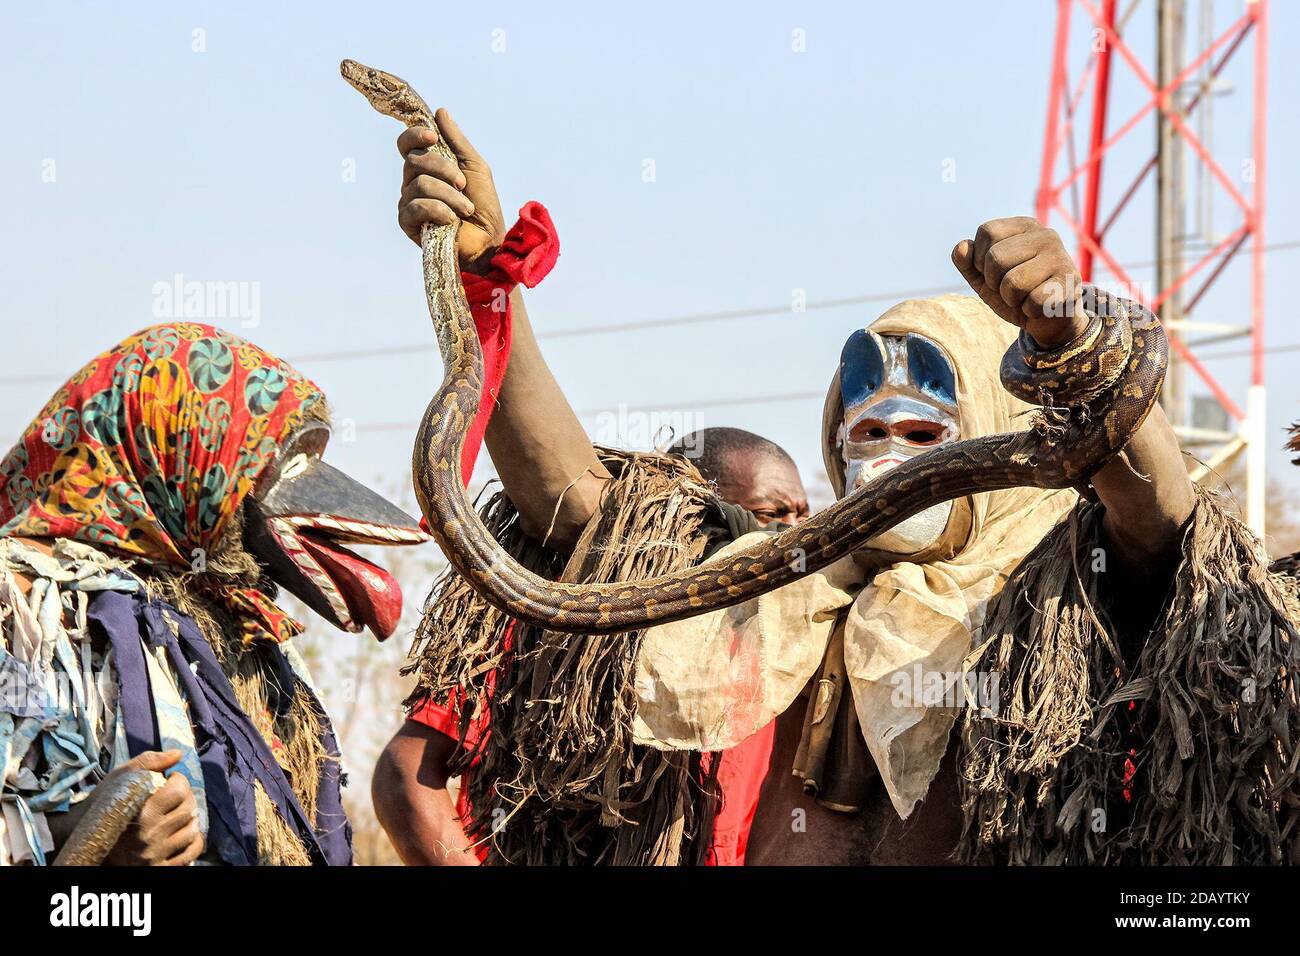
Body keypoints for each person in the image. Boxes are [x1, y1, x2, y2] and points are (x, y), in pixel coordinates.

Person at [391, 110, 1298, 865]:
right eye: (867, 432)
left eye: (926, 435)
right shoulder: (774, 591)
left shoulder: (1072, 602)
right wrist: (488, 281)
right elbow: (585, 513)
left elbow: (1165, 527)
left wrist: (1073, 343)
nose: (891, 457)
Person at [0, 323, 427, 865]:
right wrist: (89, 839)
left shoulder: (242, 633)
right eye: (264, 463)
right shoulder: (23, 607)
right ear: (174, 453)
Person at [373, 426, 809, 865]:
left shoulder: (790, 660)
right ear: (693, 513)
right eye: (770, 514)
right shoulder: (550, 630)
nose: (793, 537)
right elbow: (405, 773)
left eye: (803, 517)